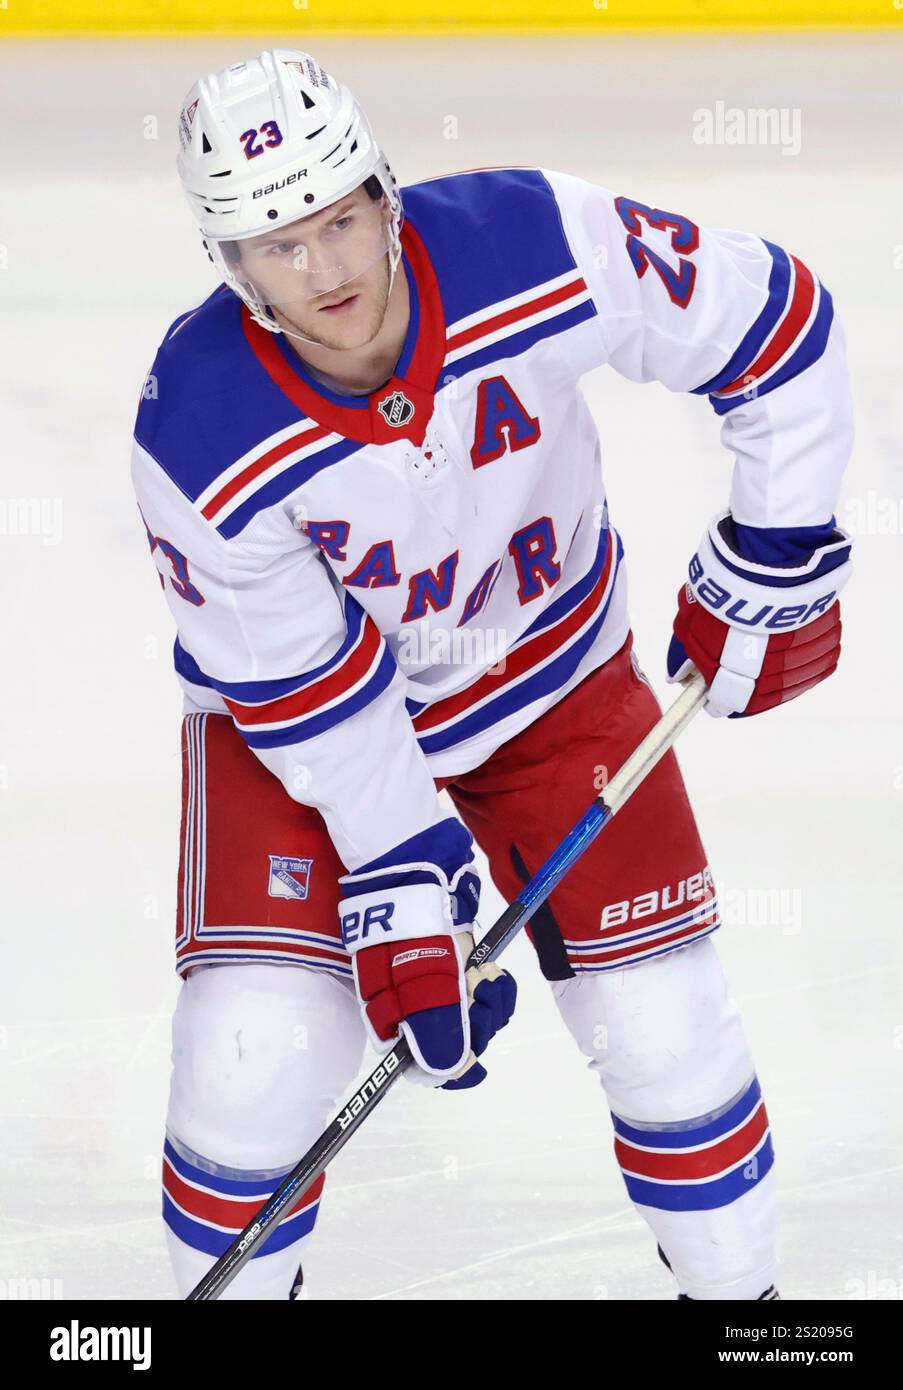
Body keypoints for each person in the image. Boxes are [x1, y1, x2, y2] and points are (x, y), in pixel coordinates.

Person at [132, 48, 853, 1300]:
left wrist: (776, 549)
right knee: (252, 1062)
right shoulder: (197, 430)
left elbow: (775, 320)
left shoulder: (533, 241)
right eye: (281, 247)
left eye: (342, 220)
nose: (330, 271)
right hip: (298, 749)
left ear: (384, 190)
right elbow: (302, 690)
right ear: (229, 267)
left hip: (557, 688)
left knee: (673, 1039)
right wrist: (401, 863)